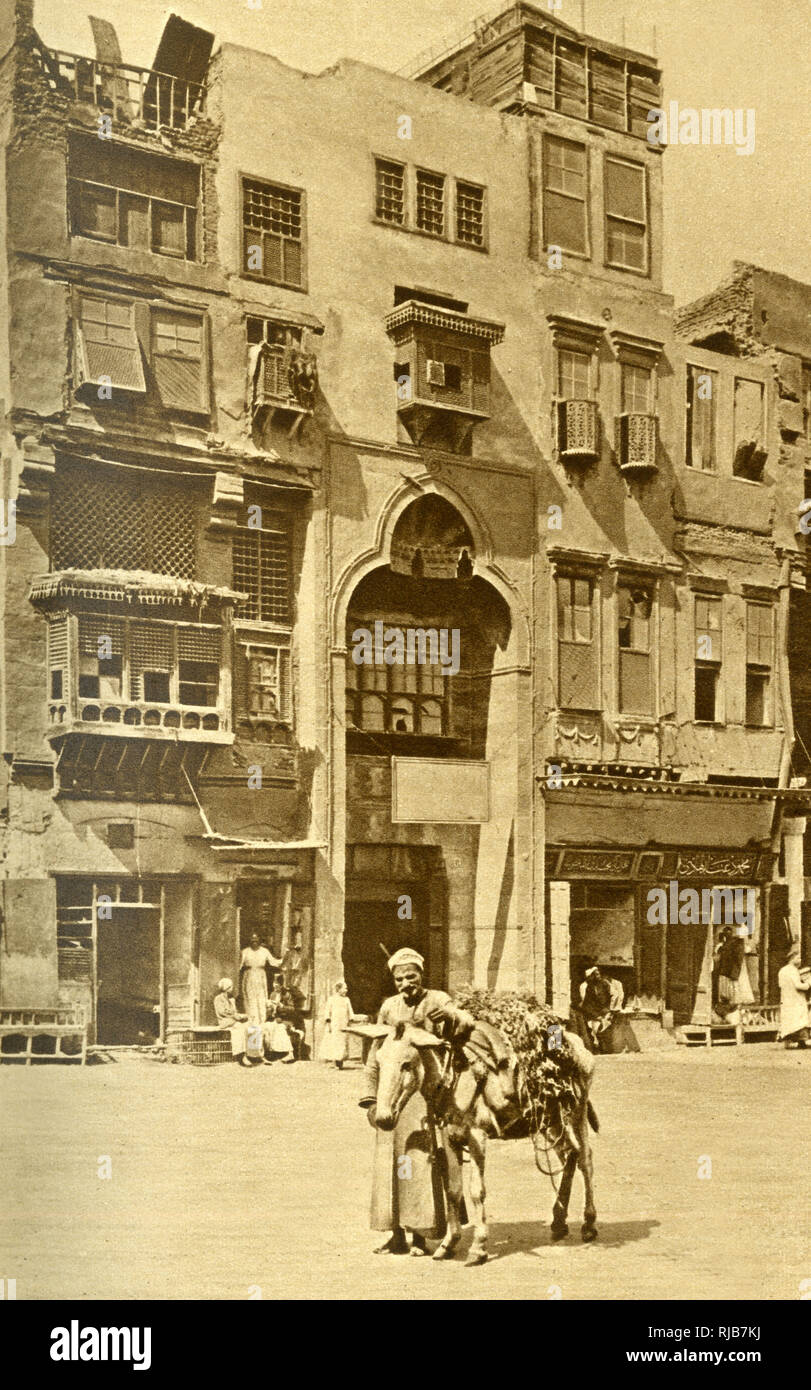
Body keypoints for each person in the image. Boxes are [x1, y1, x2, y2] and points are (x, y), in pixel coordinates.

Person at [358, 947, 475, 1256]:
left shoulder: (438, 999)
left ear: (422, 975)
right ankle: (396, 1234)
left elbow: (467, 1023)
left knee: (419, 1163)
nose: (406, 983)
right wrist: (371, 1099)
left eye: (411, 976)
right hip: (393, 1098)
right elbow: (375, 1055)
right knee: (393, 1166)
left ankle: (422, 1235)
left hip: (427, 1096)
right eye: (399, 979)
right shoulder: (389, 1008)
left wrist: (451, 1015)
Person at [213, 978, 269, 1068]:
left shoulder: (231, 999)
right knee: (240, 1028)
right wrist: (238, 1016)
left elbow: (234, 1012)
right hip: (226, 1022)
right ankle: (241, 1056)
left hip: (234, 1020)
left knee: (253, 1027)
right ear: (226, 988)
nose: (232, 988)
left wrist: (245, 1016)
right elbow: (222, 1012)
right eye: (231, 987)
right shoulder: (218, 999)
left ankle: (255, 1055)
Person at [239, 933, 281, 1027]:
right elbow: (239, 966)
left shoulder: (264, 951)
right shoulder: (245, 951)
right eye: (252, 940)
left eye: (256, 940)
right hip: (249, 976)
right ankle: (252, 1022)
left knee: (261, 997)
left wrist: (285, 959)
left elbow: (274, 962)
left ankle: (262, 1022)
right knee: (250, 998)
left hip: (261, 976)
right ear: (250, 941)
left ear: (259, 940)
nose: (254, 942)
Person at [715, 926, 754, 1017]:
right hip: (729, 971)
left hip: (734, 971)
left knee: (736, 993)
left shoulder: (737, 944)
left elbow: (739, 958)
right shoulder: (727, 945)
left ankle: (737, 1012)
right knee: (732, 993)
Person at [778, 944, 811, 1048]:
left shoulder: (782, 970)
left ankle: (788, 1041)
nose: (800, 960)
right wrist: (809, 983)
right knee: (799, 1020)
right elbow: (798, 986)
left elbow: (780, 985)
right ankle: (802, 1042)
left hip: (786, 999)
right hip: (795, 1000)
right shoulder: (793, 971)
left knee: (789, 1020)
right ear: (792, 959)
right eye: (798, 958)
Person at [321, 981, 356, 1069]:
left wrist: (351, 1020)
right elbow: (327, 1012)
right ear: (338, 989)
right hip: (334, 1024)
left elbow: (350, 1010)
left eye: (346, 988)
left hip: (343, 1023)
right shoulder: (331, 999)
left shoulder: (346, 999)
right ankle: (335, 1062)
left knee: (342, 1042)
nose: (346, 990)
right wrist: (328, 1023)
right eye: (344, 988)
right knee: (334, 1042)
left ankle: (340, 1062)